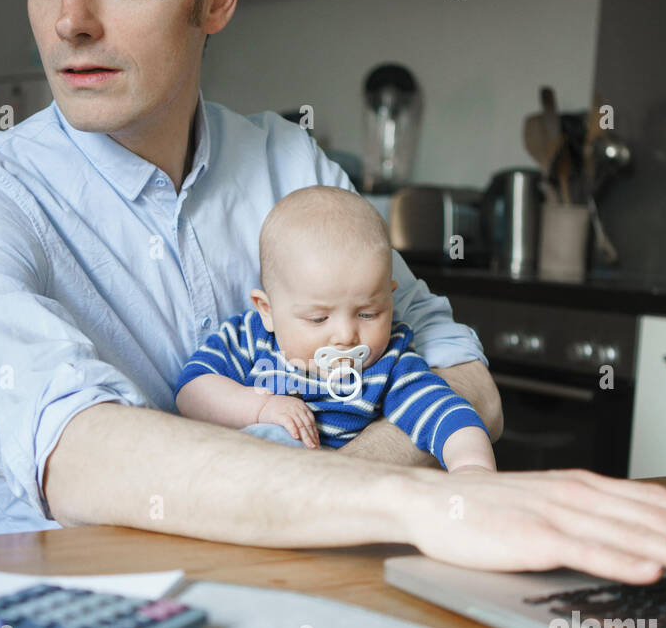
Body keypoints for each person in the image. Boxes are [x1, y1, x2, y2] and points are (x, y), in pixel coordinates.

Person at [0, 0, 666, 581]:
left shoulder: (290, 160)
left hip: (307, 595)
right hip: (73, 617)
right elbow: (75, 452)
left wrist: (330, 497)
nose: (69, 20)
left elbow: (466, 383)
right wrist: (411, 498)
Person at [176, 186, 497, 474]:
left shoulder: (389, 364)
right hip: (244, 485)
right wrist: (260, 407)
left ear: (390, 296)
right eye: (318, 319)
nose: (345, 335)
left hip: (338, 502)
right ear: (268, 311)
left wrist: (472, 468)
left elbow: (446, 413)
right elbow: (191, 391)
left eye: (368, 313)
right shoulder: (250, 339)